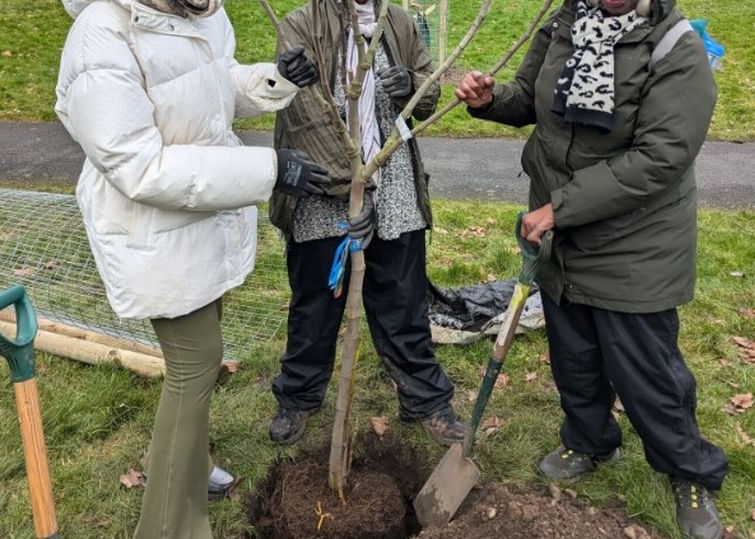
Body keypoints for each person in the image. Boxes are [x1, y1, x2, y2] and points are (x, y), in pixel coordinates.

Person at [55, 0, 328, 537]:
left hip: (201, 222)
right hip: (152, 233)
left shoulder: (193, 12)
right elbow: (139, 165)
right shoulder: (101, 37)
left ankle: (194, 470)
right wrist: (270, 169)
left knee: (199, 364)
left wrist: (272, 81)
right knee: (194, 366)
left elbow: (211, 85)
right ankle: (168, 526)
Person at [456, 0, 728, 538]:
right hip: (560, 229)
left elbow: (662, 156)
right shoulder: (563, 24)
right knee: (574, 355)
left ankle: (689, 470)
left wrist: (562, 208)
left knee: (646, 370)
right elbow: (530, 97)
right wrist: (491, 101)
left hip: (635, 237)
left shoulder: (675, 47)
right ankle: (589, 440)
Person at [268, 0, 467, 447]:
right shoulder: (301, 25)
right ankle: (298, 397)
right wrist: (355, 192)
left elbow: (427, 94)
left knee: (403, 300)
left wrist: (409, 87)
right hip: (325, 188)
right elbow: (306, 120)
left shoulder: (395, 20)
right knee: (315, 306)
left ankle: (425, 399)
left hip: (394, 184)